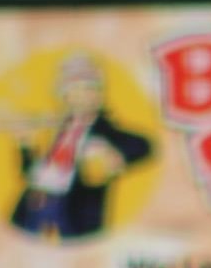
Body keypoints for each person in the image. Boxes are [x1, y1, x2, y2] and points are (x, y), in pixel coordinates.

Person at [8, 51, 152, 242]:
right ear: (65, 96)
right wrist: (25, 145)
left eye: (90, 89)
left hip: (74, 212)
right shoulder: (55, 130)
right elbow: (30, 173)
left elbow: (144, 145)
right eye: (75, 90)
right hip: (34, 204)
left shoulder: (104, 130)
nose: (83, 96)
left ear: (99, 96)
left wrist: (113, 153)